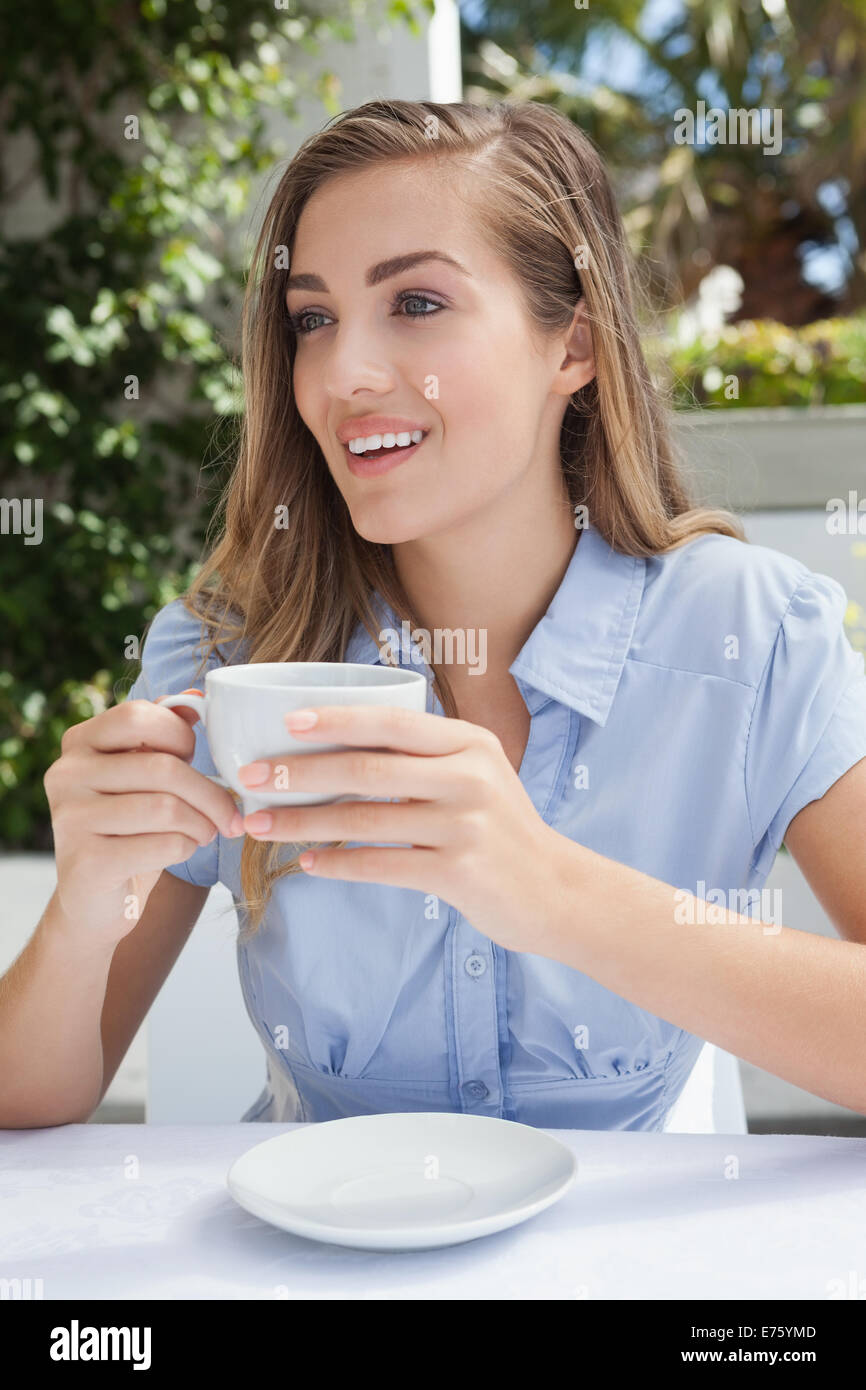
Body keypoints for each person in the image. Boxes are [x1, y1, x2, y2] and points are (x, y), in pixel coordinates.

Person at [7, 100, 866, 1131]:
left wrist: (550, 891)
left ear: (573, 347)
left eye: (414, 303)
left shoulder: (752, 637)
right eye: (311, 319)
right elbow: (34, 1106)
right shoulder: (230, 650)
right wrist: (81, 909)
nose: (342, 375)